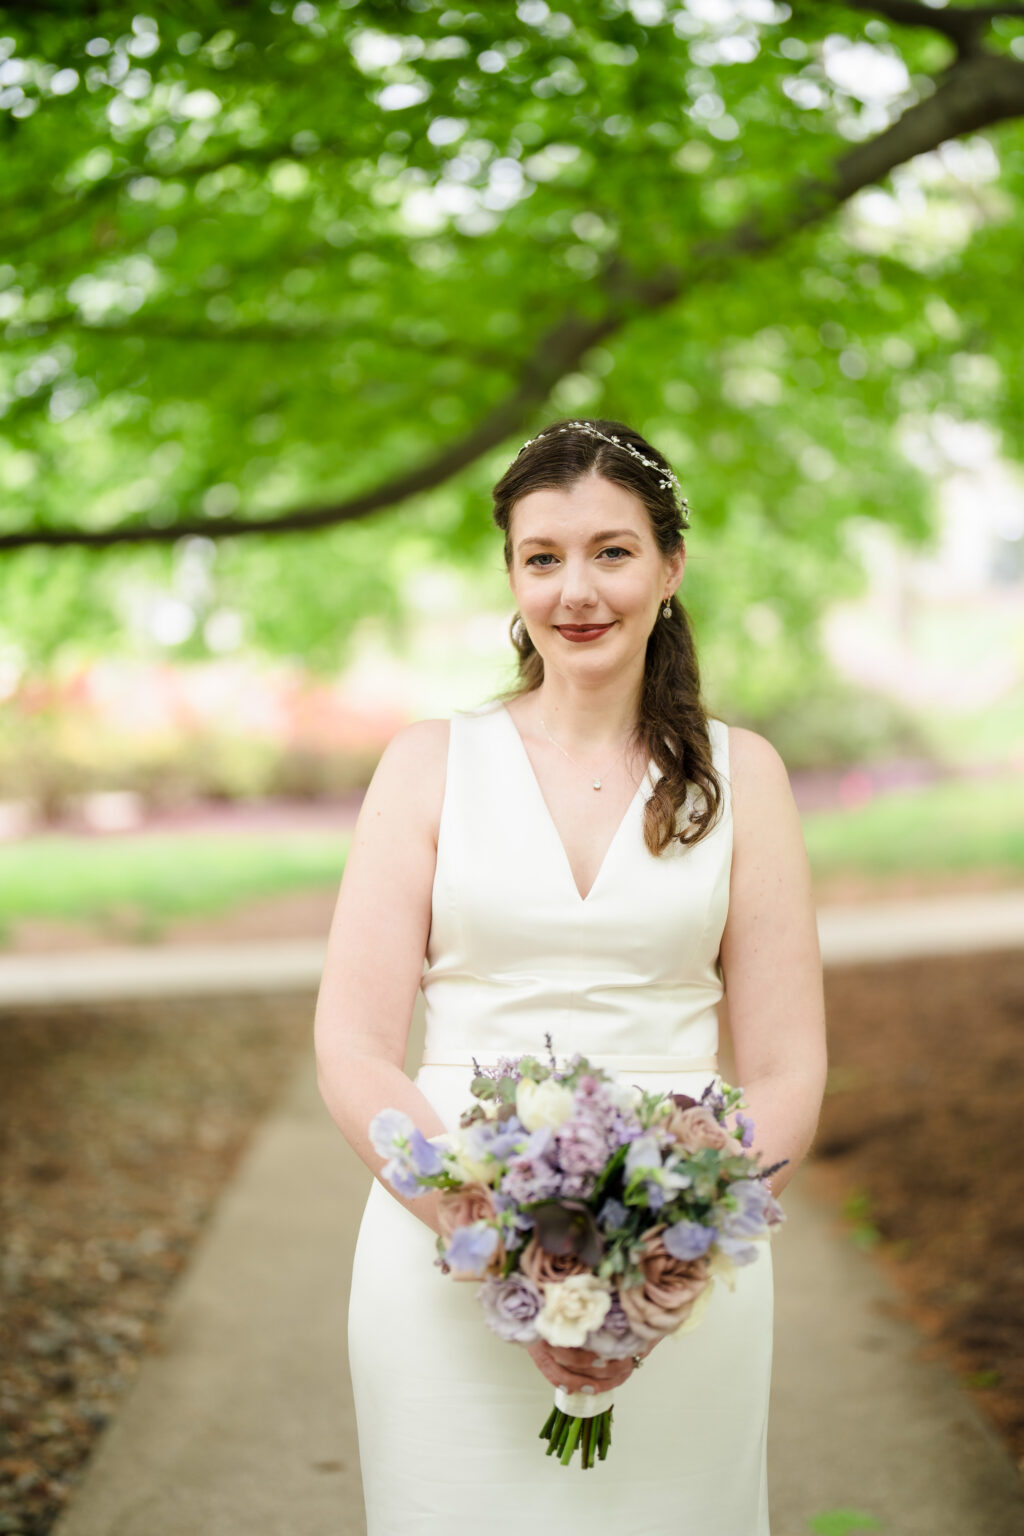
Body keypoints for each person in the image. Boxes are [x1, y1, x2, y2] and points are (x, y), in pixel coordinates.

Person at [314, 417, 827, 1534]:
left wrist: (664, 1270)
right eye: (541, 557)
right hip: (444, 1253)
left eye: (611, 551)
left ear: (669, 566)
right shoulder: (428, 765)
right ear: (510, 574)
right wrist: (494, 1243)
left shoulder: (747, 778)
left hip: (682, 1269)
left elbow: (787, 1065)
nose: (575, 590)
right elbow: (352, 1046)